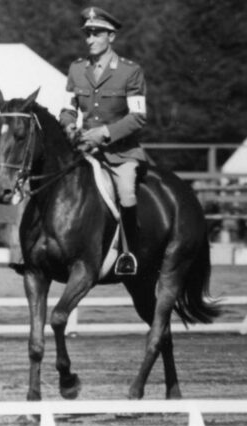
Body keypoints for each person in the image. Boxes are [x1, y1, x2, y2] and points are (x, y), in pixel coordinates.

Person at [59, 6, 148, 275]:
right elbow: (68, 108)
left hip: (120, 153)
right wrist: (68, 125)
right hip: (84, 150)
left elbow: (138, 117)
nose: (90, 40)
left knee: (126, 192)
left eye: (96, 34)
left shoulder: (130, 72)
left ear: (111, 37)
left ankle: (129, 253)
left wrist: (105, 133)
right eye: (88, 34)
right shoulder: (76, 69)